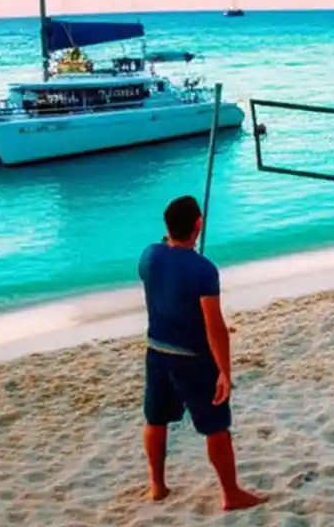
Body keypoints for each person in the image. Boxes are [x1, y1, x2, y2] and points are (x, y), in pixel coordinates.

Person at [139, 195, 267, 510]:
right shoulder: (203, 269)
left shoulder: (148, 256)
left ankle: (157, 485)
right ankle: (231, 494)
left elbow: (169, 295)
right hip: (191, 359)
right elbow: (214, 325)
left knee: (156, 419)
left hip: (156, 350)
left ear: (167, 226)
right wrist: (225, 370)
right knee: (216, 426)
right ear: (198, 224)